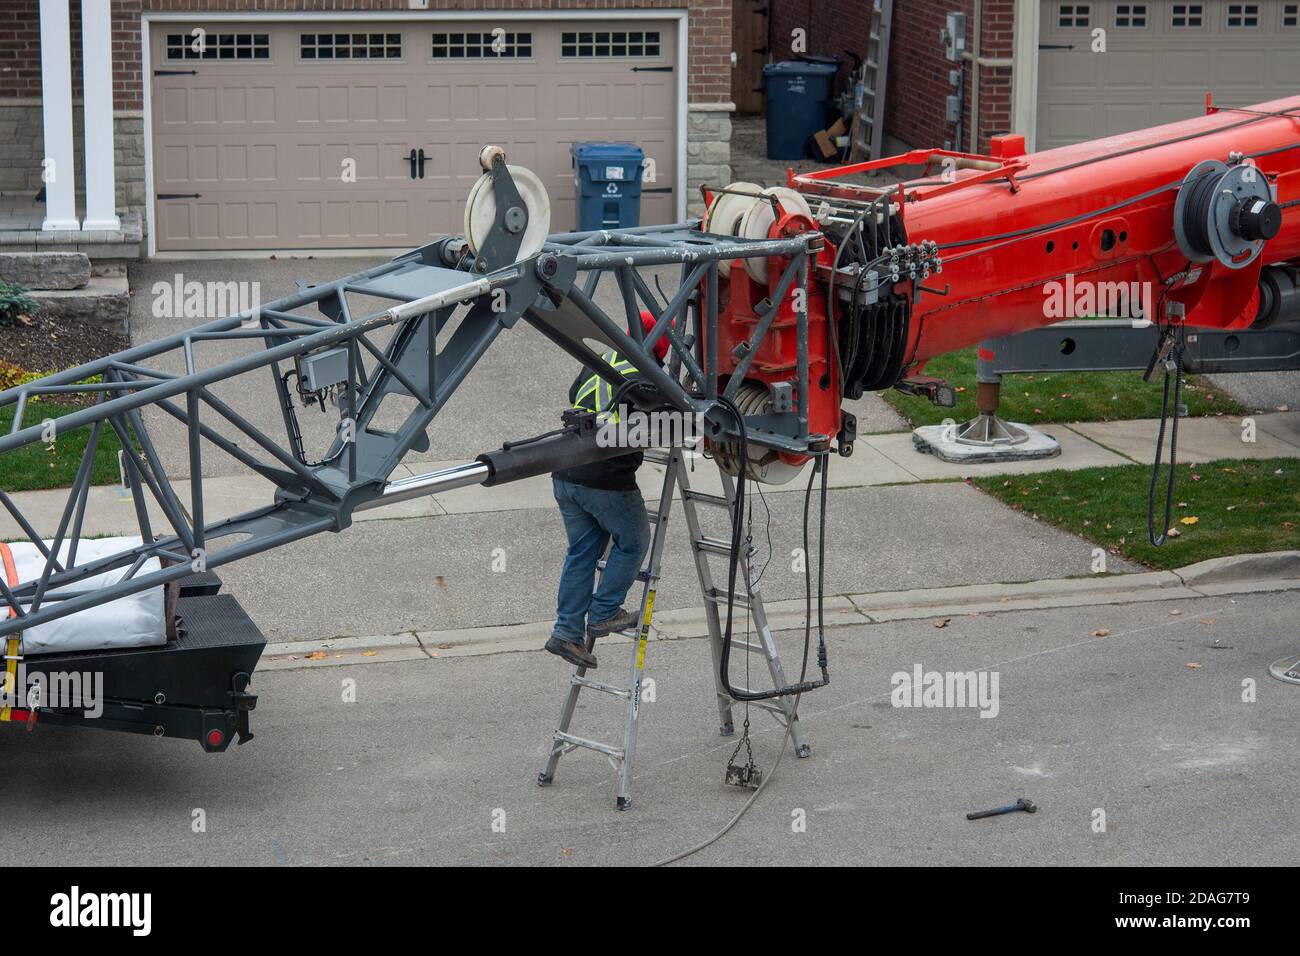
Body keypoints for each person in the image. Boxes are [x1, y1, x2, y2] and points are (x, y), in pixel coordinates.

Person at [545, 313, 669, 669]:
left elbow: (576, 396)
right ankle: (604, 611)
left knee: (583, 551)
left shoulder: (602, 360)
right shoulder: (647, 375)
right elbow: (668, 412)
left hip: (565, 472)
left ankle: (566, 632)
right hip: (604, 478)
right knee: (634, 540)